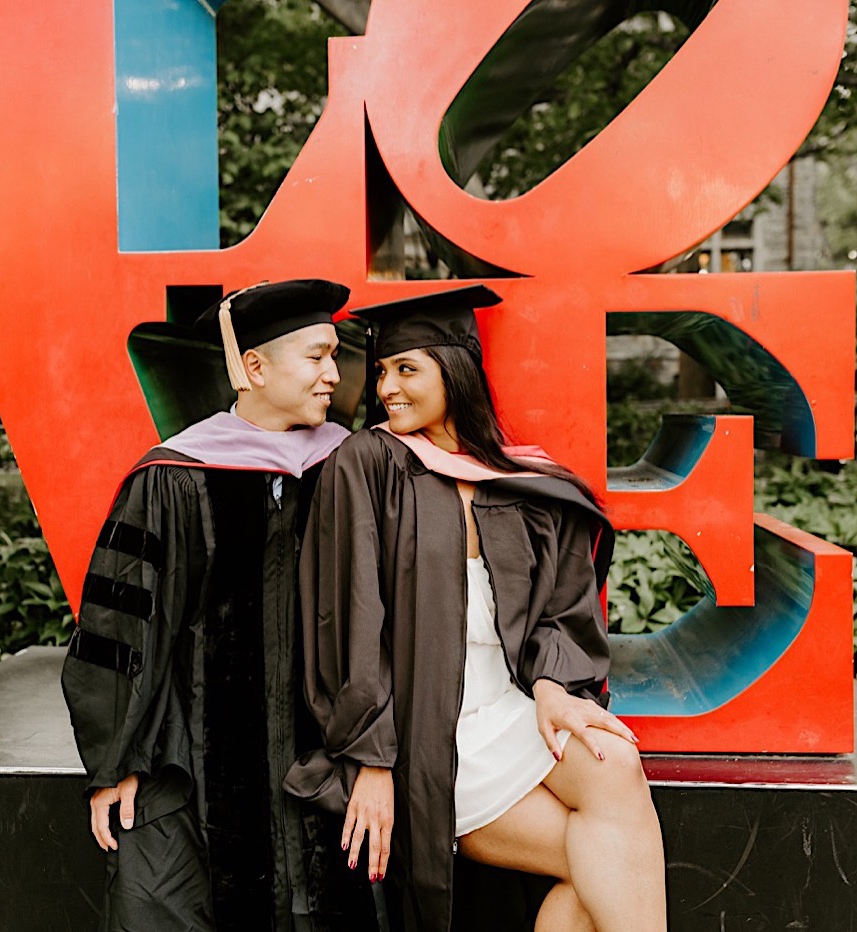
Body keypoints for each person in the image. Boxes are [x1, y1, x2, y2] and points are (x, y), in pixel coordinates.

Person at [285, 285, 667, 932]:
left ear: (455, 369)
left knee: (615, 767)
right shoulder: (368, 464)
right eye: (382, 371)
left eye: (408, 369)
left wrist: (553, 684)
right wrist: (371, 759)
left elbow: (561, 600)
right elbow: (345, 621)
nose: (387, 389)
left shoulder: (513, 477)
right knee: (604, 864)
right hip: (428, 733)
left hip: (511, 707)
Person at [62, 279, 377, 932]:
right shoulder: (174, 477)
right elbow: (122, 624)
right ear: (255, 368)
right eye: (316, 356)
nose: (334, 373)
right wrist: (116, 761)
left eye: (335, 356)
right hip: (196, 758)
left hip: (330, 758)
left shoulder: (350, 467)